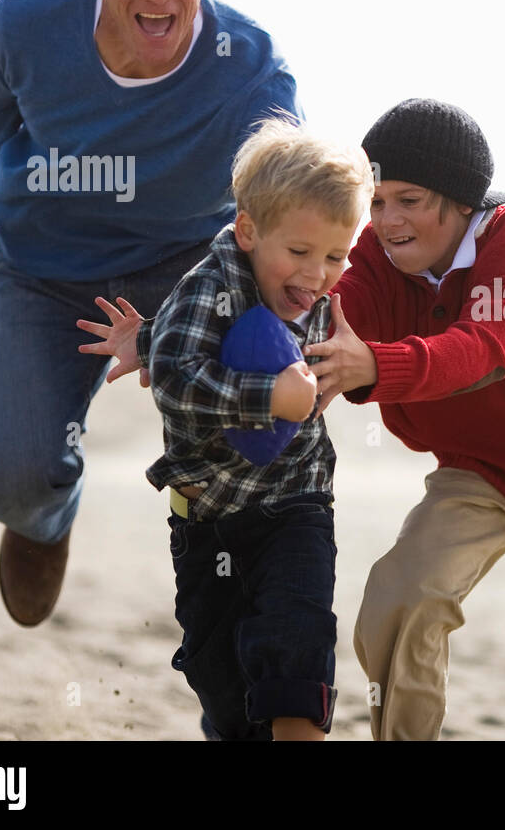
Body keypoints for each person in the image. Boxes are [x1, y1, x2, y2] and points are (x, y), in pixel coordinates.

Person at [81, 99, 505, 740]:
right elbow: (295, 306)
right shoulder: (374, 258)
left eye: (409, 201)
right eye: (378, 200)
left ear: (462, 203)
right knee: (400, 600)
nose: (387, 220)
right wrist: (164, 340)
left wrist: (376, 366)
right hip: (482, 473)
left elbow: (481, 353)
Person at [0, 0, 299, 627]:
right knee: (17, 479)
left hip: (185, 272)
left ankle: (241, 562)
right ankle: (43, 516)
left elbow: (291, 202)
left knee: (264, 393)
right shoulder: (26, 22)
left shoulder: (251, 72)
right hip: (48, 272)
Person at [145, 117, 371, 740]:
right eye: (299, 252)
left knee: (298, 639)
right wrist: (268, 395)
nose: (317, 275)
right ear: (248, 230)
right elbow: (175, 379)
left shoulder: (318, 296)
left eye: (335, 256)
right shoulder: (210, 286)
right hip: (208, 518)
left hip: (295, 505)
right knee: (221, 679)